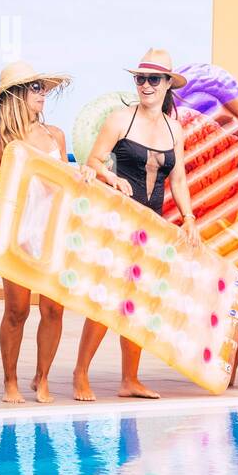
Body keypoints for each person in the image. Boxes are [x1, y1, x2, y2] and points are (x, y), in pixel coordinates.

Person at [72, 49, 200, 402]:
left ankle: (130, 379)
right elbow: (94, 161)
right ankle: (80, 373)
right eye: (140, 79)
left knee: (137, 301)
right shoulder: (120, 119)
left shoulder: (175, 128)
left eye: (153, 79)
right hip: (120, 220)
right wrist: (112, 179)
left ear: (167, 85)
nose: (145, 85)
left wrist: (189, 218)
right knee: (107, 297)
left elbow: (179, 180)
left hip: (153, 225)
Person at [0, 61, 71, 404]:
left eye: (44, 88)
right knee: (17, 311)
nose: (43, 94)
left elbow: (68, 184)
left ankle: (43, 378)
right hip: (16, 233)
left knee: (54, 310)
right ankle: (10, 381)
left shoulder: (55, 136)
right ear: (16, 95)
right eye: (36, 89)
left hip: (53, 231)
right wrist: (0, 186)